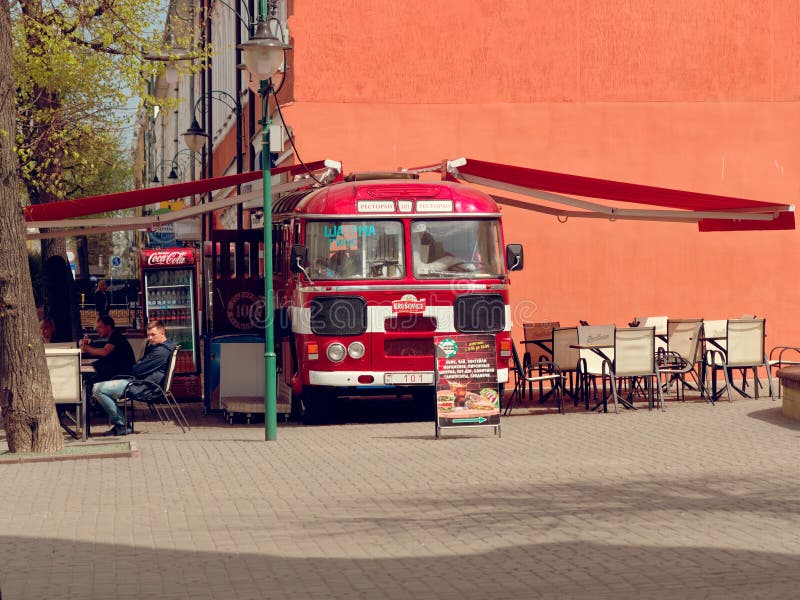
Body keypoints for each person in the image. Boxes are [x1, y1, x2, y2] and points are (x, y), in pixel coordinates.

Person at [91, 320, 176, 436]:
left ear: (162, 333)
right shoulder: (165, 347)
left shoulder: (160, 352)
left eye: (153, 335)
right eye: (148, 335)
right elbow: (139, 367)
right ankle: (120, 422)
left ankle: (122, 424)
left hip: (143, 386)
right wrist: (140, 365)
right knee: (101, 387)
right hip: (142, 383)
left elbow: (136, 370)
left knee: (98, 389)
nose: (150, 338)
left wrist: (139, 365)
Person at [81, 315, 136, 382]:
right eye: (97, 328)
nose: (97, 330)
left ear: (108, 327)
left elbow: (105, 351)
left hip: (121, 374)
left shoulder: (116, 336)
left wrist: (88, 349)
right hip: (117, 371)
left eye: (100, 327)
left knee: (89, 379)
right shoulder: (114, 336)